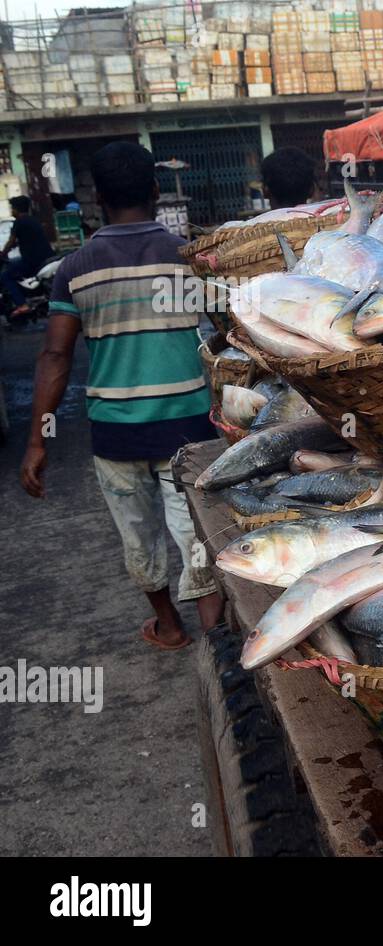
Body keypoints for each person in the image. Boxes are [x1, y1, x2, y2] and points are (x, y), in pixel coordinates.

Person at [20, 141, 222, 651]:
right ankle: (217, 640)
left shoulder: (75, 268)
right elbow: (226, 333)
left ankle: (171, 627)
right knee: (198, 536)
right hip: (190, 427)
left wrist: (39, 440)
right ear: (155, 191)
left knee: (139, 538)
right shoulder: (190, 260)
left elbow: (56, 358)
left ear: (99, 201)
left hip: (116, 434)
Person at [2, 195, 54, 319]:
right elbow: (21, 240)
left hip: (32, 261)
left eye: (12, 208)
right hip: (45, 257)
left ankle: (22, 304)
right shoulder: (32, 220)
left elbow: (11, 241)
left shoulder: (19, 222)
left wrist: (3, 253)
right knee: (14, 263)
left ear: (17, 210)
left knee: (5, 276)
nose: (11, 211)